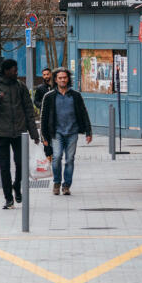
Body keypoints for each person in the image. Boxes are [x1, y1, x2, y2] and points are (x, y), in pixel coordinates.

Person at [0, 58, 40, 210]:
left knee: (21, 164)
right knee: (4, 166)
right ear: (6, 71)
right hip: (1, 132)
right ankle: (8, 198)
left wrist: (34, 134)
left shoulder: (21, 87)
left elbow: (29, 111)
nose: (16, 72)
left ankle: (17, 185)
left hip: (20, 131)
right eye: (14, 70)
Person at [39, 68, 92, 196]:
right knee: (56, 157)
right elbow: (43, 117)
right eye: (60, 78)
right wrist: (44, 137)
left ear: (68, 79)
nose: (63, 80)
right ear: (56, 80)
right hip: (56, 132)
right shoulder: (49, 96)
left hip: (72, 132)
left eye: (65, 77)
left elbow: (84, 113)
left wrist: (88, 131)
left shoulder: (75, 95)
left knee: (70, 159)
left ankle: (66, 185)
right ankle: (57, 182)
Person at [31, 67, 56, 164]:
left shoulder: (56, 86)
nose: (46, 76)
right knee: (45, 136)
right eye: (44, 75)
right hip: (44, 117)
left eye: (47, 74)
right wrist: (41, 105)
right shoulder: (40, 88)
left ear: (51, 74)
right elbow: (35, 101)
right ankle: (48, 155)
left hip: (55, 117)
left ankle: (55, 155)